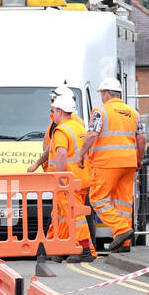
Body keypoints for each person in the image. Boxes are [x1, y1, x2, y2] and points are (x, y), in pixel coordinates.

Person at [77, 76, 144, 252]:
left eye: (102, 93)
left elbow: (92, 135)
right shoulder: (133, 113)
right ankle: (124, 243)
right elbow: (141, 138)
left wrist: (81, 154)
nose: (101, 97)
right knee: (123, 202)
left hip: (106, 163)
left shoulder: (101, 111)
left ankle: (122, 230)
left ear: (106, 94)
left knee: (98, 198)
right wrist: (139, 159)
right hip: (129, 163)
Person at [40, 92, 95, 261]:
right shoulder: (78, 126)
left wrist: (61, 177)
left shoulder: (61, 130)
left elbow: (62, 154)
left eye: (54, 111)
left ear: (60, 112)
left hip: (68, 179)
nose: (53, 114)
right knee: (63, 215)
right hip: (82, 177)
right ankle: (60, 248)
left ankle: (85, 249)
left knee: (74, 214)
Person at [28, 84, 73, 173]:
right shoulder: (57, 120)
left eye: (53, 100)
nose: (51, 103)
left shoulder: (66, 122)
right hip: (54, 172)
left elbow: (57, 148)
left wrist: (37, 163)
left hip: (62, 175)